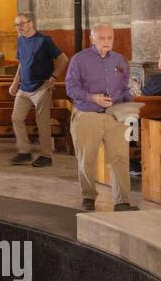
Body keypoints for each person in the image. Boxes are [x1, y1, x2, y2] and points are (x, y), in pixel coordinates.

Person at [64, 22, 136, 211]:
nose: (106, 42)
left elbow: (124, 88)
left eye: (110, 38)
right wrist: (92, 97)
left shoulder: (120, 60)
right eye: (102, 38)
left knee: (120, 159)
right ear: (92, 39)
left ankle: (122, 201)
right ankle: (88, 196)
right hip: (88, 115)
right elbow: (71, 87)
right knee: (87, 158)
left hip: (115, 116)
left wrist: (129, 106)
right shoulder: (79, 60)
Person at [8, 13, 68, 168]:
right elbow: (22, 63)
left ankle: (46, 156)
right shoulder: (20, 40)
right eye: (16, 25)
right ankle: (24, 152)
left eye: (21, 24)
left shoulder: (44, 40)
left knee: (42, 122)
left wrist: (53, 77)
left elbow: (63, 59)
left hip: (41, 87)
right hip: (24, 88)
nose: (18, 28)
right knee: (16, 118)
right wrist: (15, 83)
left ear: (30, 23)